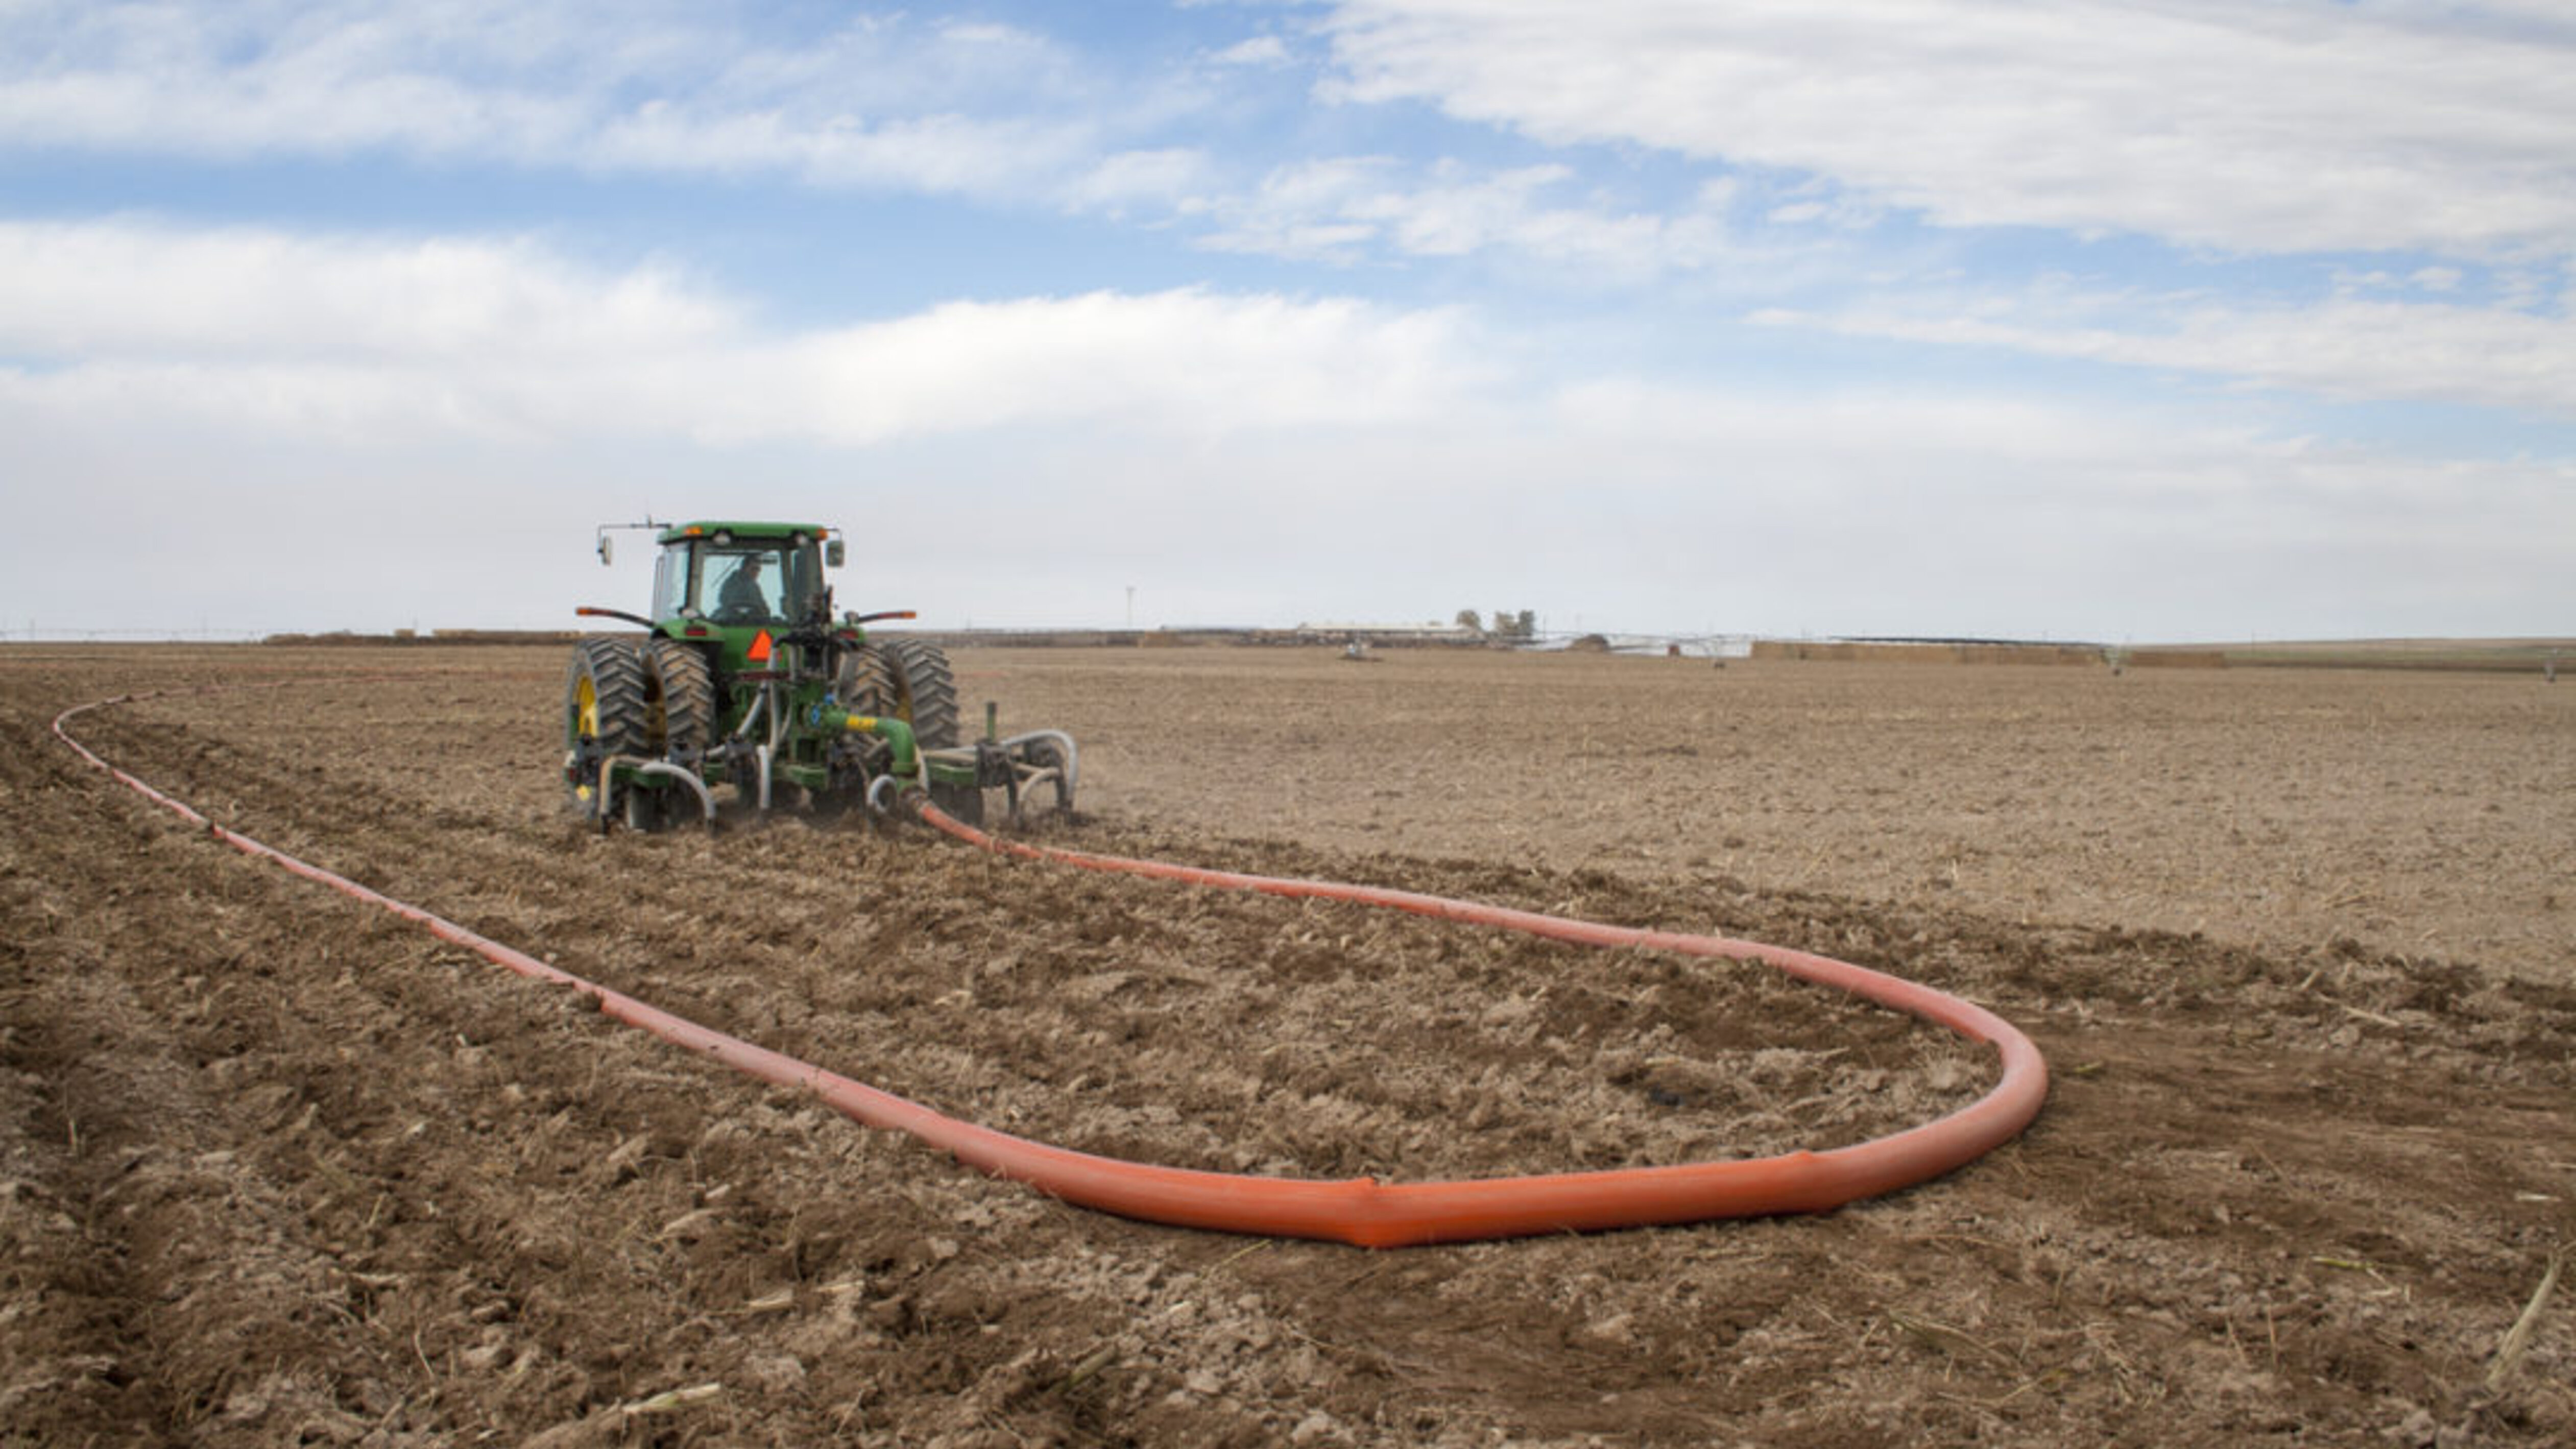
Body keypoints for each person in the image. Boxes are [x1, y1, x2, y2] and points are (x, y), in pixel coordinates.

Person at [715, 556, 772, 621]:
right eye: (754, 569)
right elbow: (725, 600)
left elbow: (763, 605)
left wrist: (765, 611)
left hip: (754, 621)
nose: (756, 572)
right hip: (732, 620)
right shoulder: (732, 583)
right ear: (744, 568)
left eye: (759, 570)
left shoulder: (755, 587)